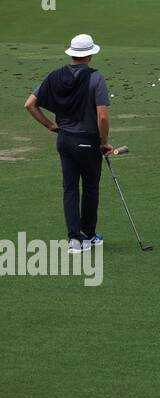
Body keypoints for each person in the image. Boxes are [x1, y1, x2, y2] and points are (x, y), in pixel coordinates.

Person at [24, 34, 113, 253]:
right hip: (87, 141)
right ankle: (89, 236)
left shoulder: (54, 76)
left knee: (70, 189)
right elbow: (102, 117)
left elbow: (30, 104)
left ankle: (74, 240)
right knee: (90, 188)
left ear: (72, 54)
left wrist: (51, 126)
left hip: (64, 140)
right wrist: (104, 142)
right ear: (90, 55)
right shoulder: (95, 78)